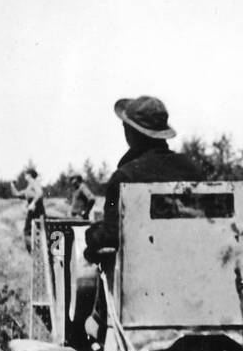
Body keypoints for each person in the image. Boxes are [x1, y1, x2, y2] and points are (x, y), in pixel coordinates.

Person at [84, 95, 203, 258]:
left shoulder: (125, 176)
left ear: (130, 132)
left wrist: (92, 234)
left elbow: (112, 236)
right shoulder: (194, 170)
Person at [10, 167, 45, 251]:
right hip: (33, 213)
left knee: (30, 232)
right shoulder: (29, 187)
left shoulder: (33, 181)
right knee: (31, 232)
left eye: (26, 174)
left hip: (37, 211)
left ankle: (34, 252)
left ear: (29, 175)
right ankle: (34, 251)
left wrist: (33, 203)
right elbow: (17, 194)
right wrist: (12, 185)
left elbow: (40, 193)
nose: (24, 175)